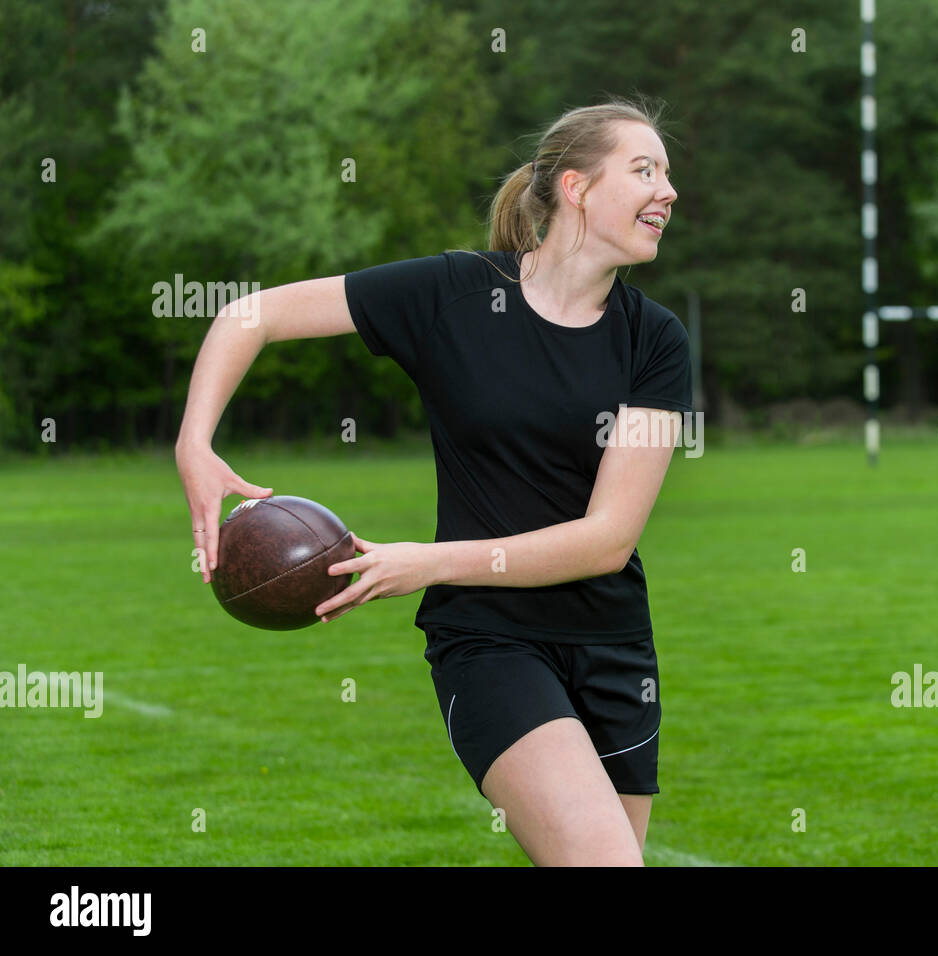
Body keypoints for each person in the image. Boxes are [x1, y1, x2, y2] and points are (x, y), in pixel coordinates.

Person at [175, 98, 689, 866]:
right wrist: (194, 441)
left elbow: (607, 540)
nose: (669, 191)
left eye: (669, 174)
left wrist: (423, 562)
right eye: (645, 170)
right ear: (576, 187)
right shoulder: (452, 295)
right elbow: (251, 315)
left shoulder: (655, 340)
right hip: (490, 640)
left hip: (614, 649)